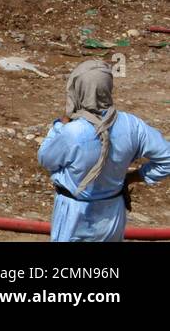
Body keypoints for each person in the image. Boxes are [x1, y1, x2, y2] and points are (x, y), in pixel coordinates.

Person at [37, 59, 170, 242]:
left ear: (77, 89)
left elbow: (45, 159)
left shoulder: (72, 132)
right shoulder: (132, 125)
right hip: (113, 213)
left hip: (75, 215)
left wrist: (61, 123)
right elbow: (167, 159)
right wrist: (132, 177)